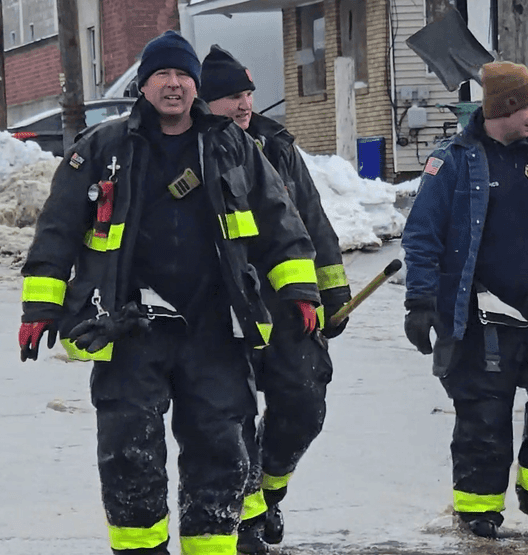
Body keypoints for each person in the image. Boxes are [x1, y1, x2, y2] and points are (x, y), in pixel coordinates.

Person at [18, 30, 322, 555]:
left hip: (215, 328)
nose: (174, 84)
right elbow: (58, 228)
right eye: (163, 74)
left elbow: (280, 221)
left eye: (183, 75)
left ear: (197, 86)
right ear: (143, 85)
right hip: (128, 328)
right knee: (128, 451)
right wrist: (40, 306)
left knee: (220, 448)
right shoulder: (102, 148)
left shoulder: (233, 146)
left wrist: (300, 291)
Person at [401, 61, 528, 539]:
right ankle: (479, 510)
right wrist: (420, 301)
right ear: (505, 108)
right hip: (479, 302)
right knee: (484, 408)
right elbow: (422, 235)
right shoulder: (452, 161)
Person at [199, 44, 352, 554]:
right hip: (225, 310)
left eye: (248, 94)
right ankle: (245, 520)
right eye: (231, 97)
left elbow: (312, 221)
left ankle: (270, 490)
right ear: (205, 102)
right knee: (232, 413)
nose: (244, 105)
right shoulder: (194, 149)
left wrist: (331, 291)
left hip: (287, 302)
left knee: (305, 402)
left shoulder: (277, 146)